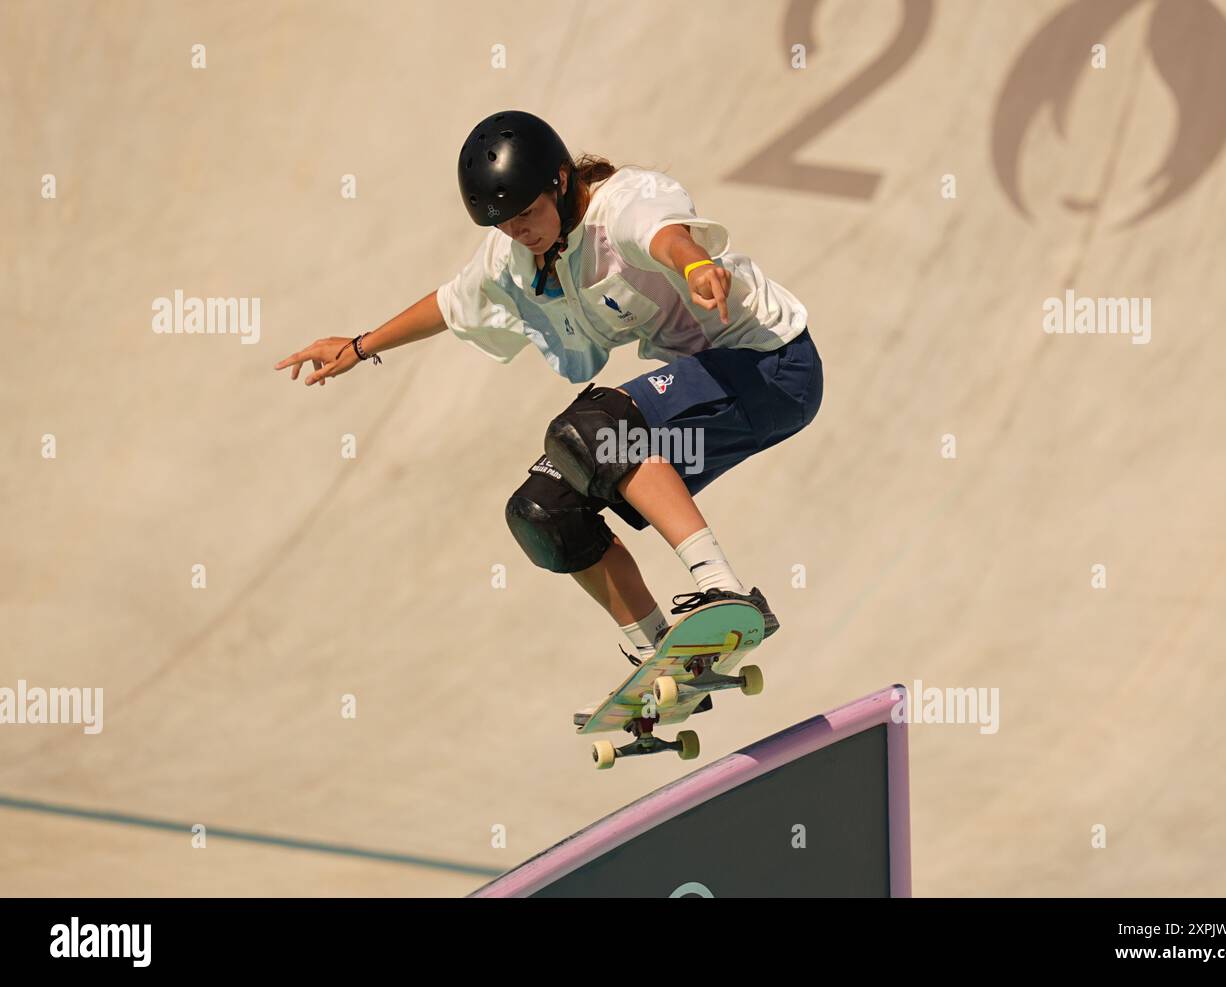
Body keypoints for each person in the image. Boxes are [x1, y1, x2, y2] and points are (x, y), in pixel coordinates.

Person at [275, 110, 823, 701]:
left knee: (596, 429)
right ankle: (659, 657)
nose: (521, 232)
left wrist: (692, 264)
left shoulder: (621, 206)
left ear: (560, 182)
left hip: (773, 368)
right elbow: (451, 303)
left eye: (529, 214)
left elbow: (662, 233)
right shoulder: (514, 258)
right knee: (544, 507)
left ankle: (721, 590)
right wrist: (360, 346)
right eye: (506, 225)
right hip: (715, 395)